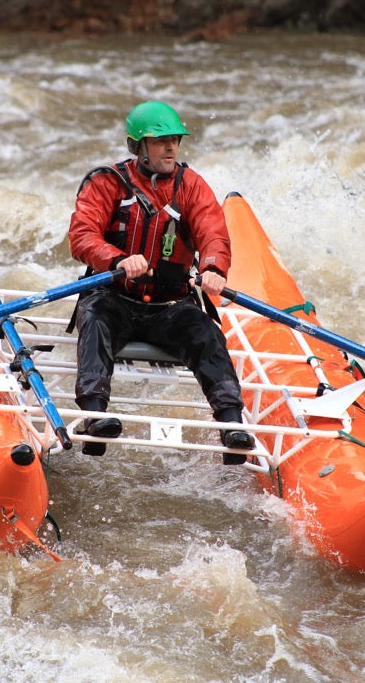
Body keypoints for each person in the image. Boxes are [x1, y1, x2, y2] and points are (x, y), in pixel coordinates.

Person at [67, 100, 255, 464]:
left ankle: (232, 424)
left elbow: (213, 233)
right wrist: (118, 259)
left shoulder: (191, 186)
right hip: (114, 297)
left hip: (170, 306)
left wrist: (214, 267)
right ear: (138, 147)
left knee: (206, 333)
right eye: (160, 141)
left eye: (174, 140)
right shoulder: (107, 183)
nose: (170, 148)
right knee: (95, 320)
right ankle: (95, 417)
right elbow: (82, 236)